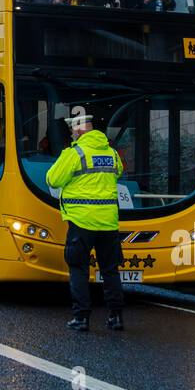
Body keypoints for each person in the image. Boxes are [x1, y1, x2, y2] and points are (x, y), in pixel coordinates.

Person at [46, 113, 125, 331]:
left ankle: (81, 318)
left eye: (73, 130)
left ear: (80, 131)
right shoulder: (111, 153)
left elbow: (52, 179)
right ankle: (116, 317)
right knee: (110, 270)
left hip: (81, 221)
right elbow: (118, 172)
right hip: (108, 222)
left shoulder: (75, 153)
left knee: (79, 268)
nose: (72, 134)